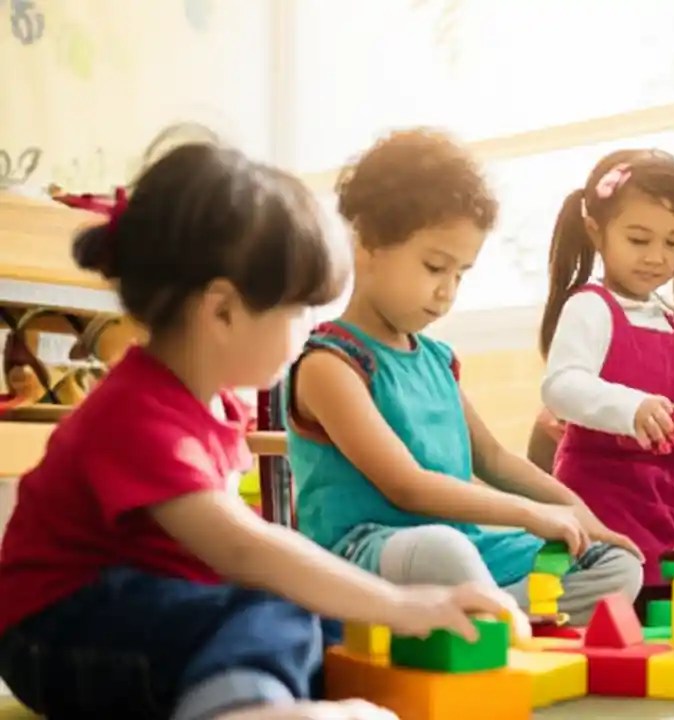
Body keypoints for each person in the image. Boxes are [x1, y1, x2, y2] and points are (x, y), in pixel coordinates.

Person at [0, 142, 523, 720]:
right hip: (54, 630)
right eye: (299, 310)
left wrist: (387, 610)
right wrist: (400, 602)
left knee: (322, 619)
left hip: (143, 612)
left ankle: (273, 694)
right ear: (222, 311)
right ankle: (245, 710)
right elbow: (241, 547)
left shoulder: (214, 407)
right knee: (267, 612)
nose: (310, 328)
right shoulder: (138, 415)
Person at [287, 130, 643, 625]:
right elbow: (407, 487)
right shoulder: (330, 365)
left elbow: (494, 458)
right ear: (367, 243)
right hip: (368, 557)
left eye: (461, 273)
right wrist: (525, 513)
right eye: (435, 266)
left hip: (459, 544)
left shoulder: (436, 360)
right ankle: (490, 618)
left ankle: (486, 619)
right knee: (442, 551)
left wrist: (576, 511)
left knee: (615, 564)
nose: (447, 291)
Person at [538, 149, 674, 592]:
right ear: (597, 230)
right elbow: (561, 385)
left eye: (673, 242)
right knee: (620, 596)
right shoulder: (591, 307)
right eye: (639, 239)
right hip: (603, 503)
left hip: (667, 508)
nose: (657, 256)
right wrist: (629, 407)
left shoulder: (670, 318)